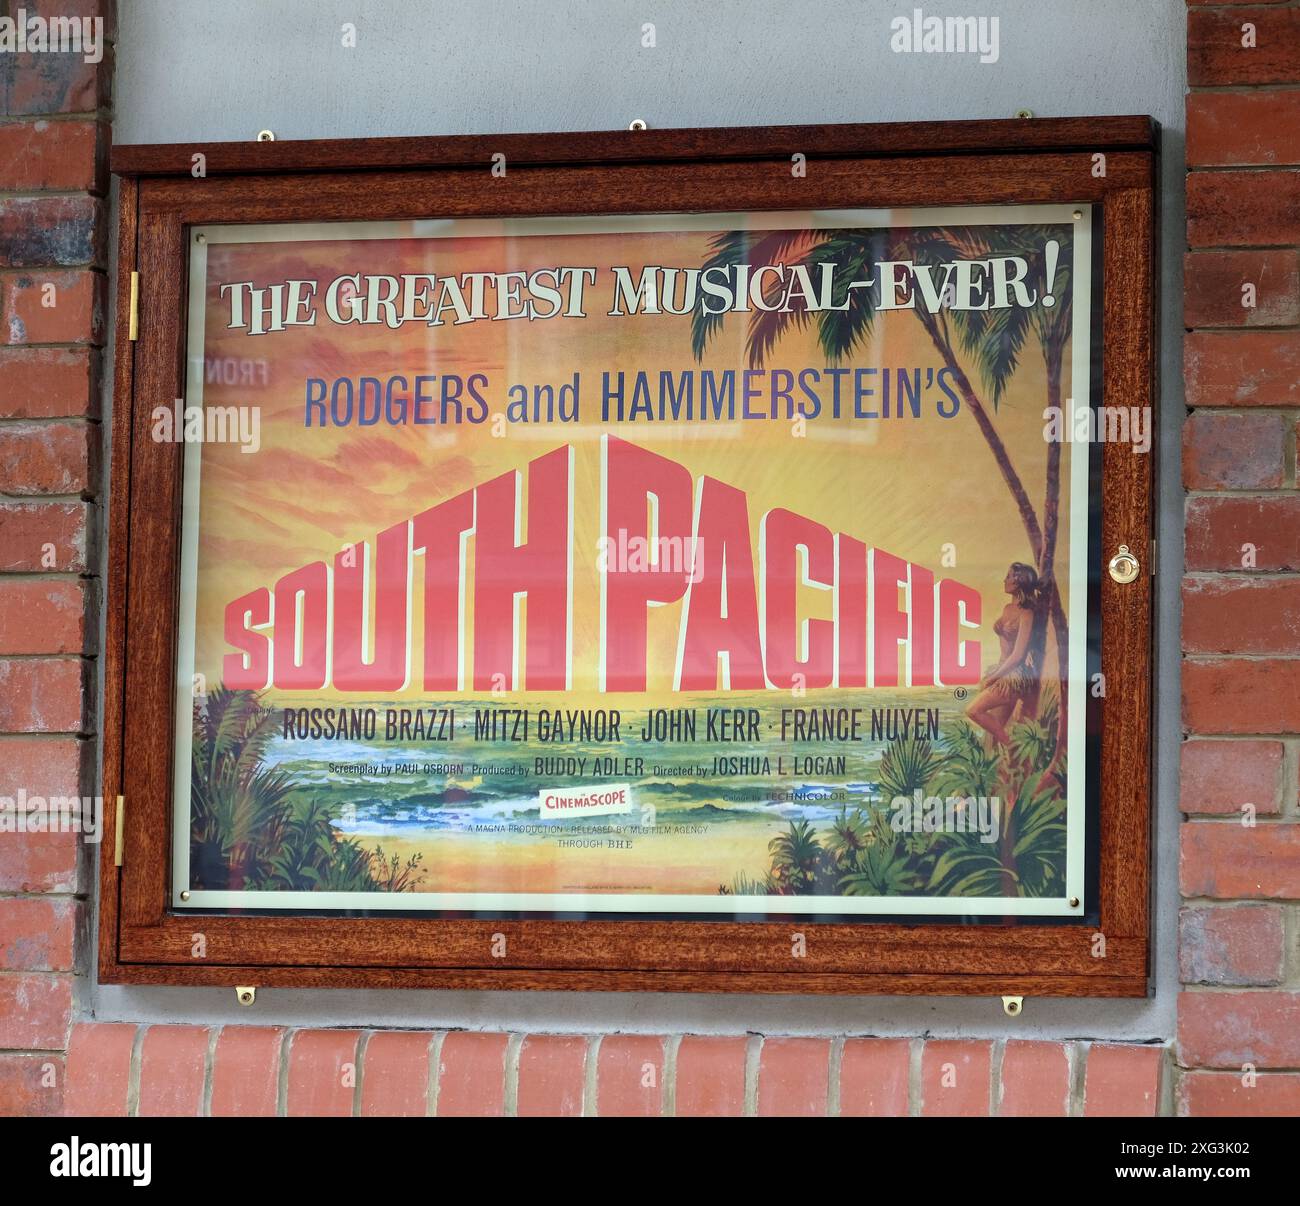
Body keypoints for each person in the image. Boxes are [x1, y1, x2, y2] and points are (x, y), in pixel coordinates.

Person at [966, 562, 1041, 747]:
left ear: (1019, 582)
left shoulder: (1027, 613)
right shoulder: (1008, 608)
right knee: (995, 730)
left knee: (973, 711)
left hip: (1014, 675)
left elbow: (1017, 654)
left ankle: (1011, 744)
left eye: (1009, 577)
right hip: (1002, 669)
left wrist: (994, 677)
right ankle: (1009, 756)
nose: (1004, 580)